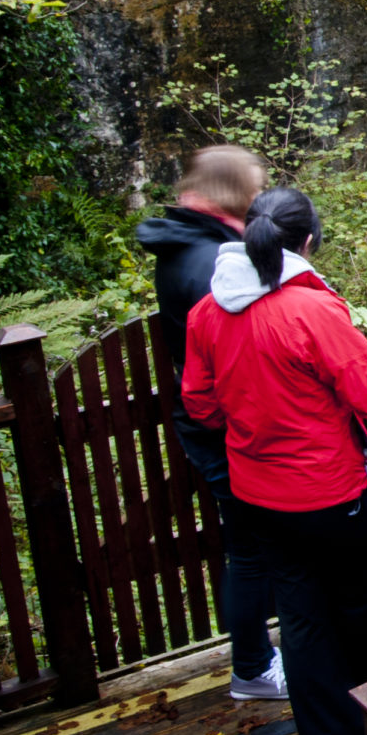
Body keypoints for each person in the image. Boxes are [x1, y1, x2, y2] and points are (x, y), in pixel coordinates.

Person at [179, 188, 367, 735]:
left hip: (257, 492)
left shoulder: (206, 313)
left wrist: (251, 421)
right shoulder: (311, 311)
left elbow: (199, 402)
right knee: (356, 609)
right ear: (307, 242)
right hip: (332, 491)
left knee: (299, 621)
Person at [136, 145, 284, 702]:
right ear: (236, 193)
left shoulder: (189, 243)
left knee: (251, 547)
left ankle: (259, 658)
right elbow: (237, 352)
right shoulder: (210, 261)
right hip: (231, 430)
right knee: (250, 551)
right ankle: (252, 667)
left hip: (217, 424)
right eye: (257, 188)